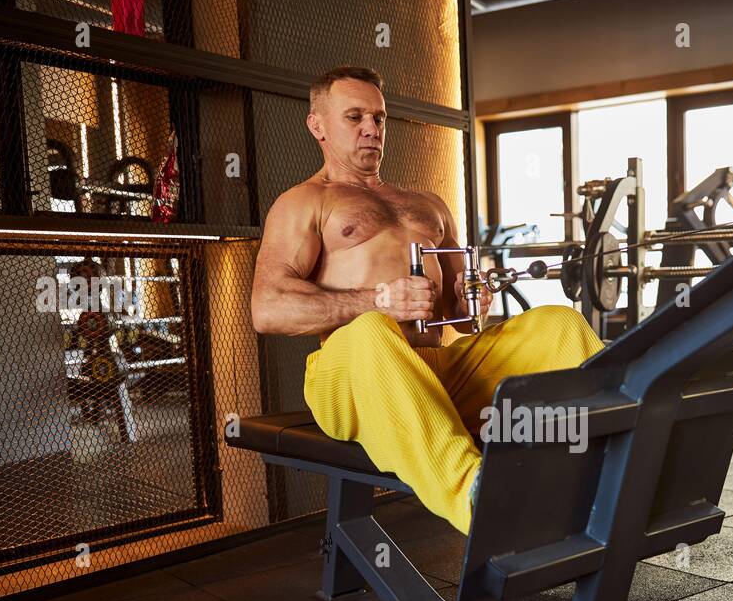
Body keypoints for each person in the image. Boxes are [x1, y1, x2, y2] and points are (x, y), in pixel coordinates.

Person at [250, 66, 603, 533]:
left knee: (558, 324)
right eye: (354, 117)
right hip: (353, 374)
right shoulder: (304, 202)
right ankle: (479, 498)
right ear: (317, 125)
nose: (371, 129)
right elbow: (268, 307)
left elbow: (462, 314)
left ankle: (624, 449)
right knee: (373, 330)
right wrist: (380, 300)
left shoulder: (429, 204)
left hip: (438, 369)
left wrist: (473, 299)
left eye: (379, 118)